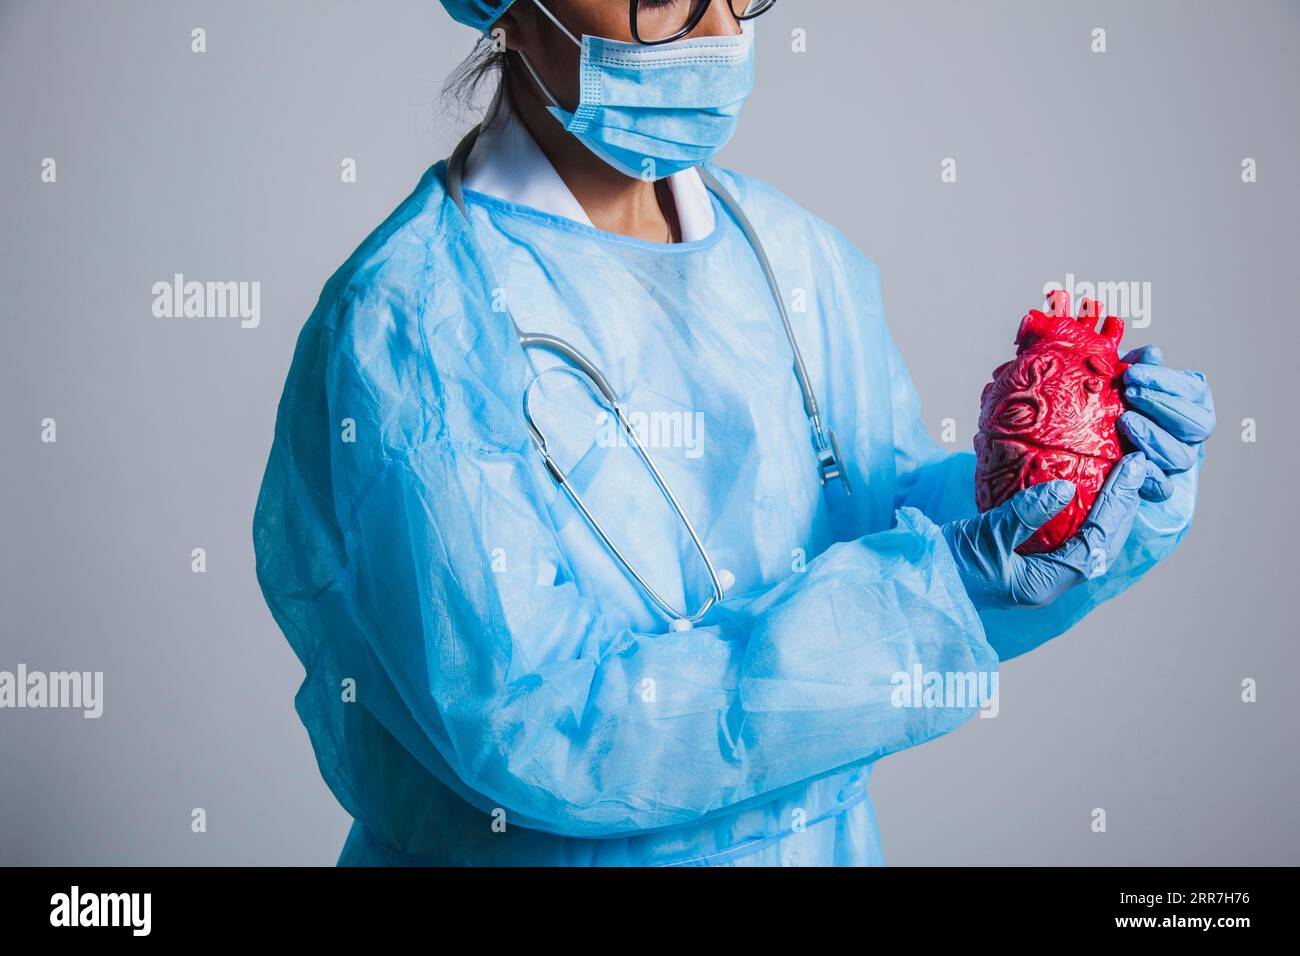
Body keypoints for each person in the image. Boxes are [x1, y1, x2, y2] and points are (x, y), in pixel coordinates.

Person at [252, 0, 1215, 866]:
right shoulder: (414, 326)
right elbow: (532, 727)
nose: (720, 37)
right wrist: (931, 596)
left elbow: (875, 507)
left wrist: (1079, 492)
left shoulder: (791, 258)